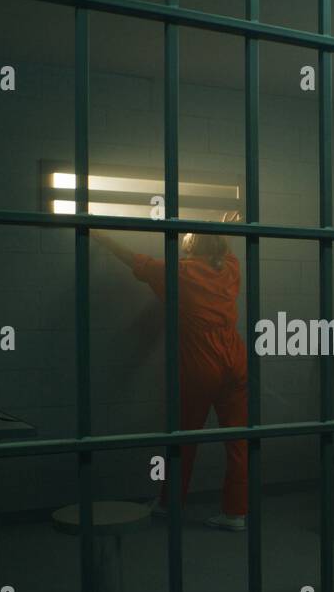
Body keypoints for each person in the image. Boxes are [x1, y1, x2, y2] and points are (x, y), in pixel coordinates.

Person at [91, 215, 249, 531]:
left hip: (200, 363)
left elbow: (132, 259)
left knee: (182, 440)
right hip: (236, 359)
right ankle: (235, 514)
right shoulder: (230, 269)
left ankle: (170, 504)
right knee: (239, 441)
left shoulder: (181, 272)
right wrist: (223, 226)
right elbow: (224, 249)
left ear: (190, 244)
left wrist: (97, 233)